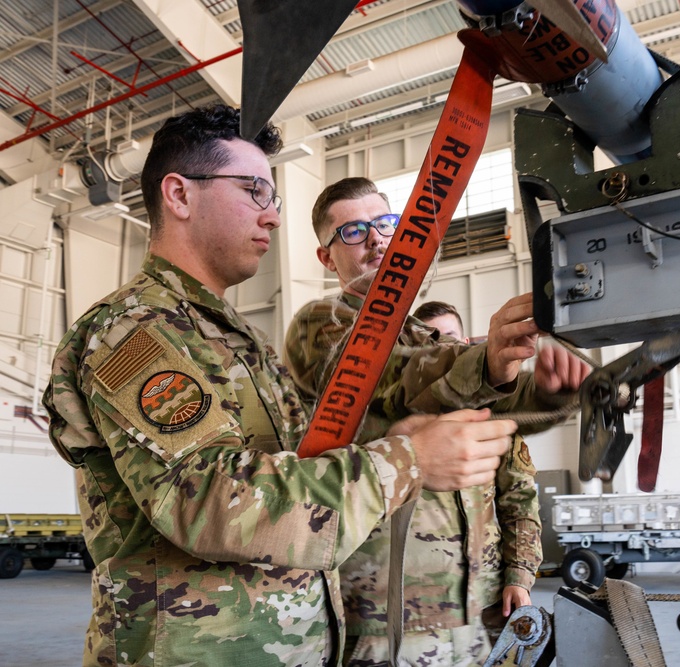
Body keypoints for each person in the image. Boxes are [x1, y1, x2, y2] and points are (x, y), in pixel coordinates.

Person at [42, 105, 516, 667]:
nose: (271, 217)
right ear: (179, 195)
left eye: (274, 199)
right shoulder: (136, 331)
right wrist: (406, 461)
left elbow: (297, 462)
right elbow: (210, 499)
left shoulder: (235, 339)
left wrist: (407, 435)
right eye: (253, 191)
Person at [283, 177, 590, 666]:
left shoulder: (424, 337)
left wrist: (549, 391)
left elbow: (489, 419)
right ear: (327, 257)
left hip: (478, 610)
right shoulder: (319, 326)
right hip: (385, 620)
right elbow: (398, 379)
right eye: (353, 232)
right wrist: (487, 363)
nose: (377, 240)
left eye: (386, 224)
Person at [412, 300, 542, 642]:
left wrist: (519, 575)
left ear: (466, 344)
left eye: (450, 339)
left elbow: (520, 500)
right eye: (432, 341)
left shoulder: (495, 415)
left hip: (487, 597)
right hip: (415, 607)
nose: (443, 348)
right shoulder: (401, 413)